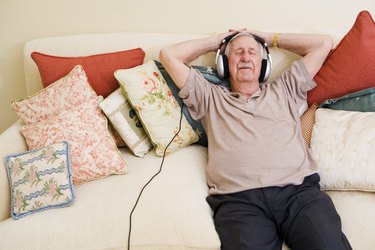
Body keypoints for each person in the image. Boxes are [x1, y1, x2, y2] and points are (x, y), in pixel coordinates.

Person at [159, 29, 352, 250]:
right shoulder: (209, 97)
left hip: (298, 193)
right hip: (240, 202)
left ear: (263, 64)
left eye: (252, 52)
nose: (245, 57)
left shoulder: (285, 89)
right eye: (238, 53)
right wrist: (218, 42)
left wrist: (269, 39)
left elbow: (323, 43)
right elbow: (169, 55)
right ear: (224, 63)